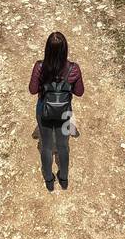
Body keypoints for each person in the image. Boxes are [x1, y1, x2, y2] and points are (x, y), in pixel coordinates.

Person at [28, 31, 85, 192]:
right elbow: (79, 92)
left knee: (46, 146)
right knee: (63, 146)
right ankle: (64, 178)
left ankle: (49, 180)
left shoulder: (40, 67)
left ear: (46, 49)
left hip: (43, 110)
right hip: (64, 113)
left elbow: (32, 90)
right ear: (65, 49)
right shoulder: (73, 69)